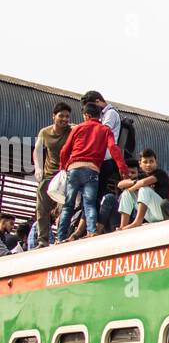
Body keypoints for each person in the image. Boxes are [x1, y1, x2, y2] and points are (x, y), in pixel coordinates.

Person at [57, 101, 129, 240]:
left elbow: (64, 150)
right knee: (89, 203)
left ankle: (60, 237)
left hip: (74, 169)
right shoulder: (105, 130)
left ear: (86, 115)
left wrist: (63, 167)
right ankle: (91, 231)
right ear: (99, 115)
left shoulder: (77, 128)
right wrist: (122, 167)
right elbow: (113, 148)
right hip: (92, 170)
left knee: (68, 205)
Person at [33, 101, 72, 248]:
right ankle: (42, 240)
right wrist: (38, 168)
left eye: (67, 116)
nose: (64, 119)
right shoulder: (45, 132)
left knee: (64, 207)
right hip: (49, 175)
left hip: (65, 175)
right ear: (53, 116)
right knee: (41, 207)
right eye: (61, 116)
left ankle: (62, 237)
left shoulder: (72, 130)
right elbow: (37, 150)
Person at [118, 150, 169, 227]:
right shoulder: (141, 176)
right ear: (140, 164)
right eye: (145, 162)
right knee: (126, 193)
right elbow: (120, 184)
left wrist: (132, 188)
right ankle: (123, 226)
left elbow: (143, 183)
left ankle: (137, 221)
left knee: (144, 189)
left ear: (156, 162)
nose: (148, 165)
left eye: (151, 161)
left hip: (163, 213)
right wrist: (134, 183)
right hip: (151, 216)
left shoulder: (160, 173)